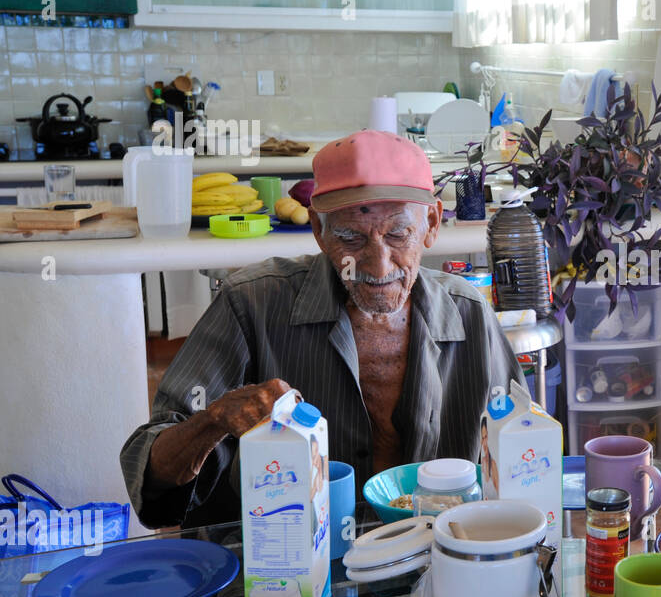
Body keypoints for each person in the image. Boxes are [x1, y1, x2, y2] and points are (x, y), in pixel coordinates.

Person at [121, 130, 524, 528]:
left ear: (432, 224)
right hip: (283, 572)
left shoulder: (470, 316)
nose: (378, 265)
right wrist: (212, 420)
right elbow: (150, 473)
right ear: (318, 230)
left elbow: (522, 457)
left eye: (398, 233)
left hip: (431, 564)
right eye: (351, 236)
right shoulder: (250, 306)